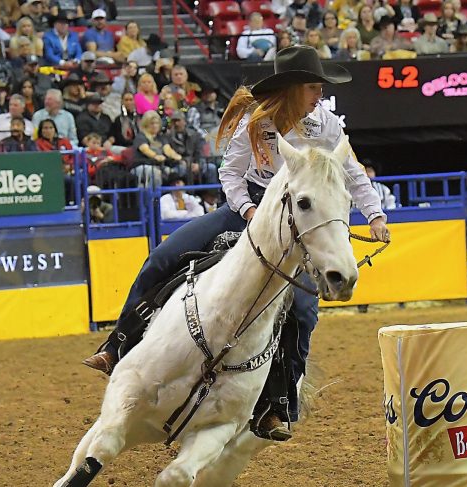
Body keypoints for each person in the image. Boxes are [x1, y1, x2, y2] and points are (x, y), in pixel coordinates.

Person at [82, 46, 390, 440]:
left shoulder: (326, 126)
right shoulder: (255, 119)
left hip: (295, 222)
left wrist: (375, 214)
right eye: (313, 87)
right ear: (293, 88)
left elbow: (351, 173)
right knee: (163, 258)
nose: (318, 95)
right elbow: (231, 174)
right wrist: (247, 211)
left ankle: (278, 407)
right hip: (248, 209)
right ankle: (119, 344)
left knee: (303, 312)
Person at [130, 109, 179, 187]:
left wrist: (176, 156)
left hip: (159, 166)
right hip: (141, 166)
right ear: (146, 124)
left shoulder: (161, 137)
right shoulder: (141, 136)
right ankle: (153, 197)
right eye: (152, 123)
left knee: (173, 173)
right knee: (155, 173)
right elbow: (145, 149)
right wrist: (155, 156)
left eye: (157, 123)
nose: (155, 126)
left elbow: (167, 149)